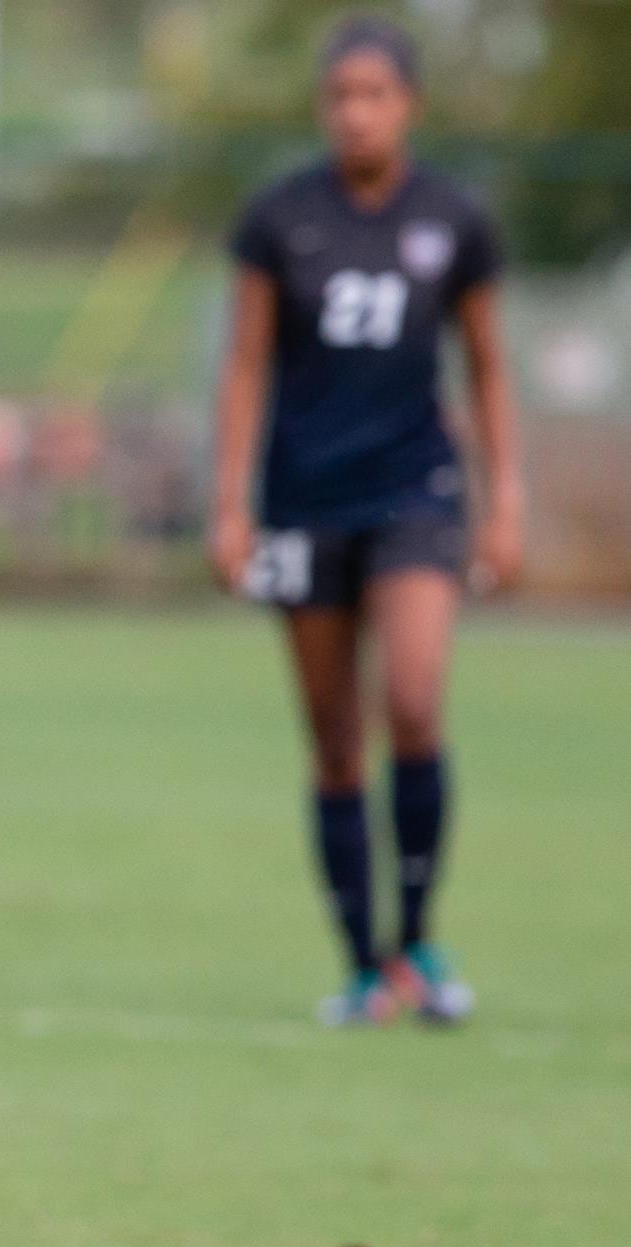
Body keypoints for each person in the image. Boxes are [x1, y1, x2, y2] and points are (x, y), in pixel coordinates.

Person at [209, 15, 523, 1026]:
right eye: (339, 95)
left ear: (408, 106)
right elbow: (247, 364)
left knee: (416, 702)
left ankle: (420, 939)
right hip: (303, 496)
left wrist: (503, 496)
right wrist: (229, 504)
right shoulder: (280, 218)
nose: (355, 112)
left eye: (374, 95)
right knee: (335, 737)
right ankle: (363, 966)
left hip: (415, 491)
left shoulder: (453, 221)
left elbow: (485, 364)